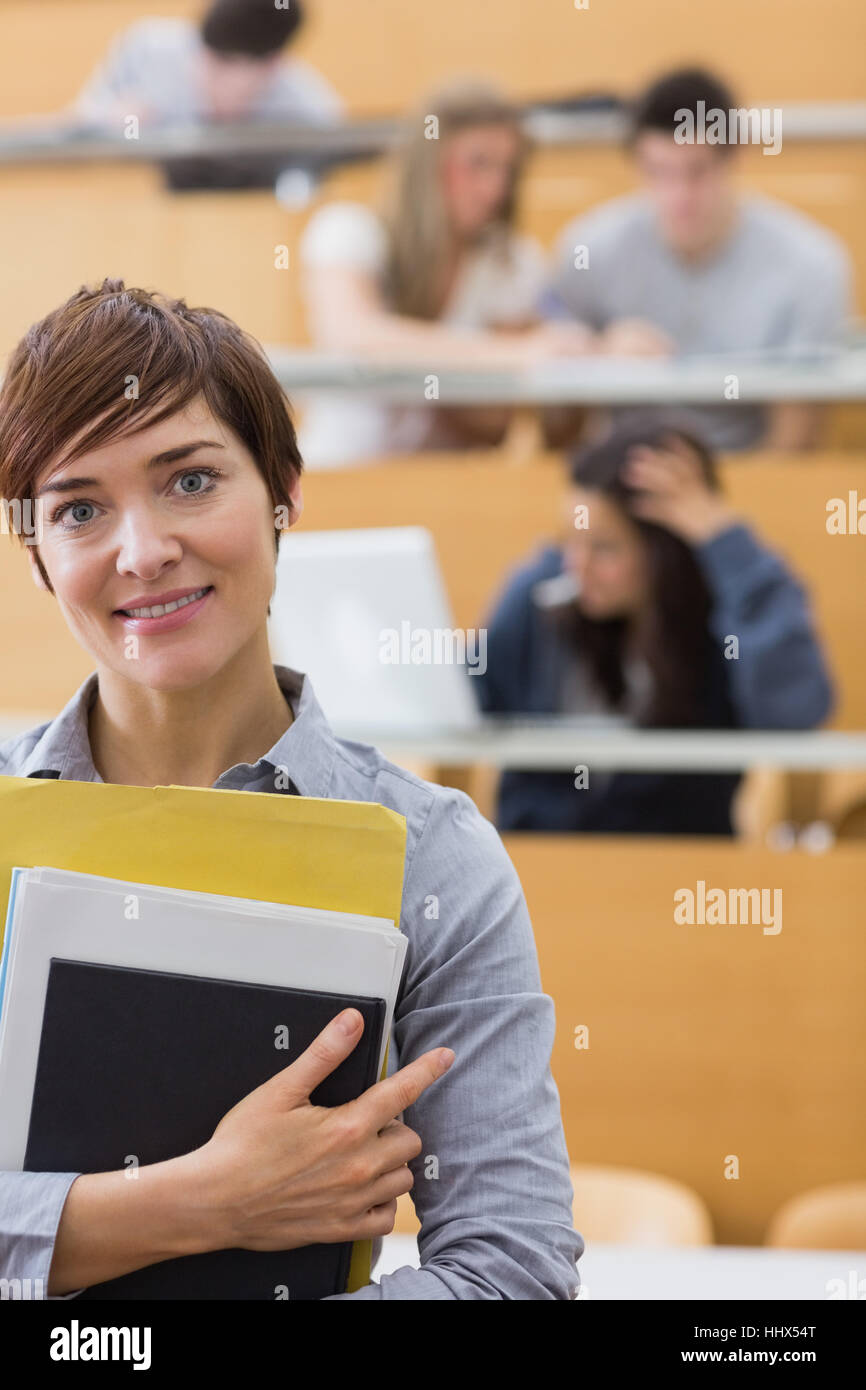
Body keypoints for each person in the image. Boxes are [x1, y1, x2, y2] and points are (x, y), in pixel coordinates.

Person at [0, 279, 580, 1301]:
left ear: (283, 491)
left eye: (188, 481)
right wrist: (202, 1201)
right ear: (37, 553)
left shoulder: (432, 852)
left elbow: (513, 1270)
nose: (142, 551)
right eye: (80, 507)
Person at [475, 417, 834, 835]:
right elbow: (467, 701)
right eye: (569, 540)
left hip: (681, 878)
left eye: (604, 548)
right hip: (538, 867)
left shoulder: (723, 614)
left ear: (666, 553)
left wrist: (724, 538)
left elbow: (796, 711)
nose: (578, 566)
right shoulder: (539, 594)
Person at [540, 68, 854, 453]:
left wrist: (715, 511)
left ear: (734, 156)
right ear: (636, 163)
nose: (679, 197)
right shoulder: (589, 250)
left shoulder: (810, 263)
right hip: (623, 476)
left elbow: (796, 436)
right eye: (660, 172)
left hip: (748, 481)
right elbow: (557, 423)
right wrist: (597, 352)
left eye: (697, 171)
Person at [298, 79, 593, 466]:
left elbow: (495, 424)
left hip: (446, 486)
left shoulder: (512, 262)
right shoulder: (346, 231)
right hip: (342, 470)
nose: (495, 188)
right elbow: (355, 336)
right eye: (478, 163)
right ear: (428, 163)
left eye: (507, 169)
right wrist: (513, 353)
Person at [69, 0, 342, 128]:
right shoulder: (147, 49)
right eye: (202, 53)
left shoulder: (305, 110)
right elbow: (74, 124)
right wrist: (112, 120)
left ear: (271, 65)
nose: (204, 72)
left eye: (225, 63)